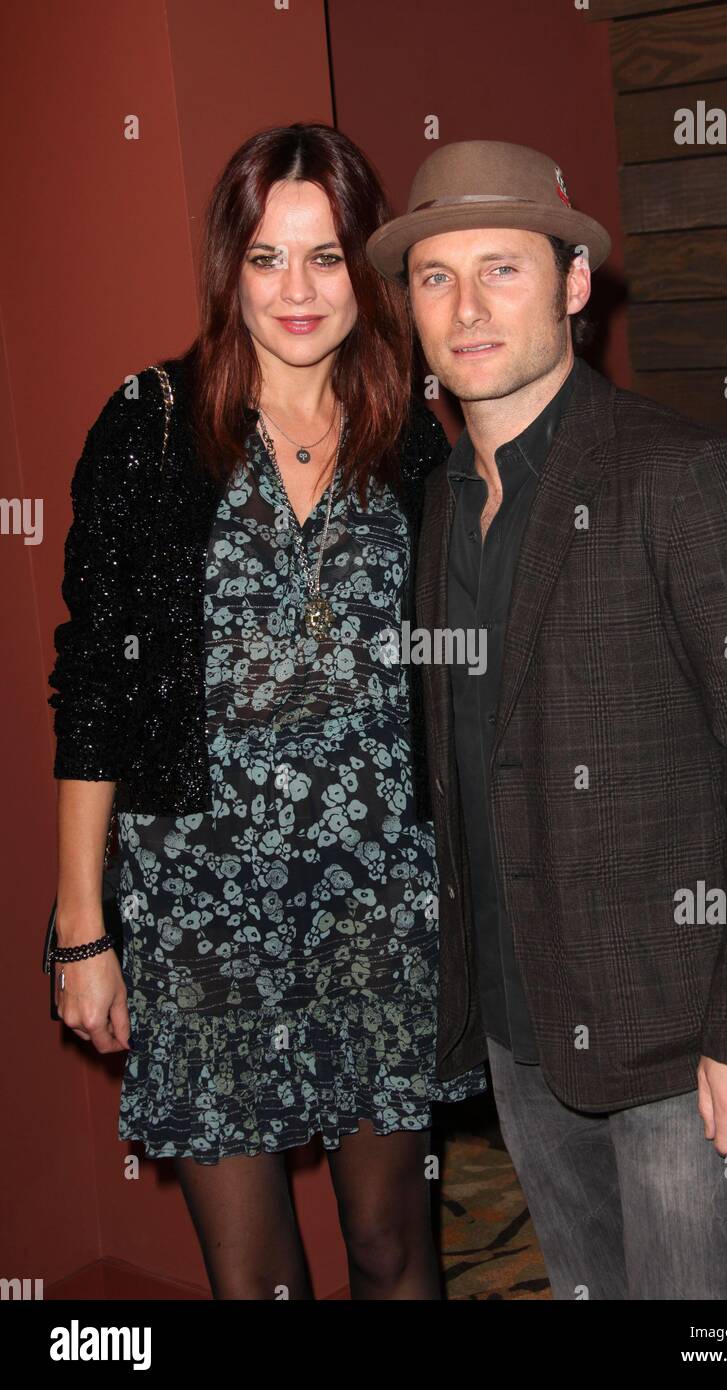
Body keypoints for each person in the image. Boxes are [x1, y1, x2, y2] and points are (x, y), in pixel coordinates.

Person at [366, 139, 727, 1299]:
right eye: (435, 277)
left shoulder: (683, 475)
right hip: (524, 1031)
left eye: (502, 269)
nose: (466, 306)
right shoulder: (432, 507)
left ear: (574, 285)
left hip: (688, 1047)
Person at [47, 123, 486, 1301]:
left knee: (395, 1247)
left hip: (378, 898)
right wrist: (85, 928)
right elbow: (94, 681)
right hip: (197, 912)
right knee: (255, 1277)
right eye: (264, 258)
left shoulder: (410, 438)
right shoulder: (148, 423)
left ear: (366, 270)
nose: (296, 290)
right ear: (227, 268)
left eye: (327, 257)